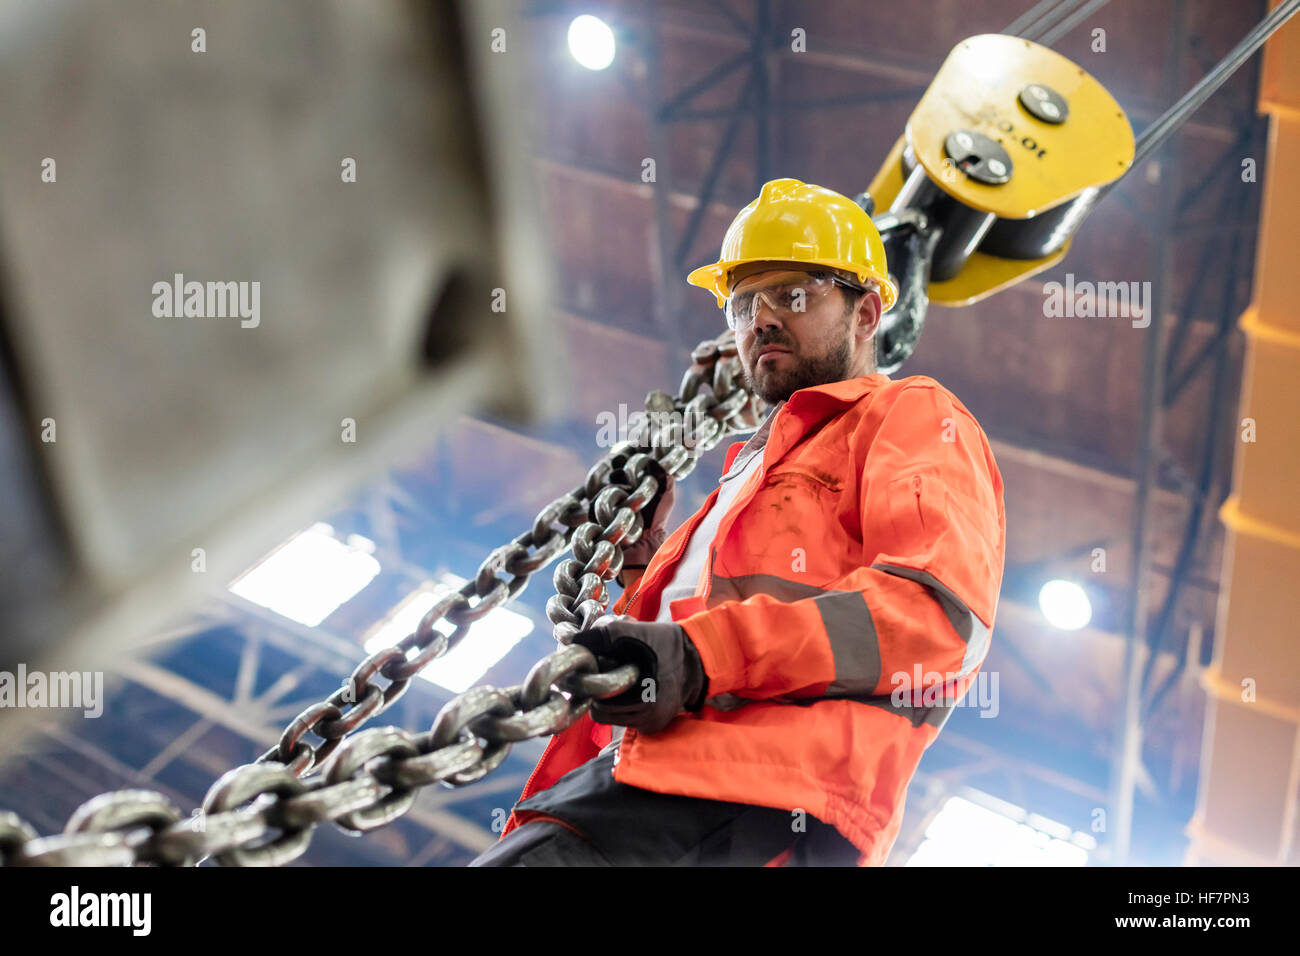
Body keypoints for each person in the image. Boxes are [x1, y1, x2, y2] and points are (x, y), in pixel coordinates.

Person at [470, 178, 1006, 866]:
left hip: (752, 795)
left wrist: (700, 656)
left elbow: (935, 619)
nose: (761, 319)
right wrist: (642, 572)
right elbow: (687, 649)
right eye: (745, 302)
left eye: (794, 295)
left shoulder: (911, 416)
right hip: (649, 780)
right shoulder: (747, 474)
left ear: (869, 312)